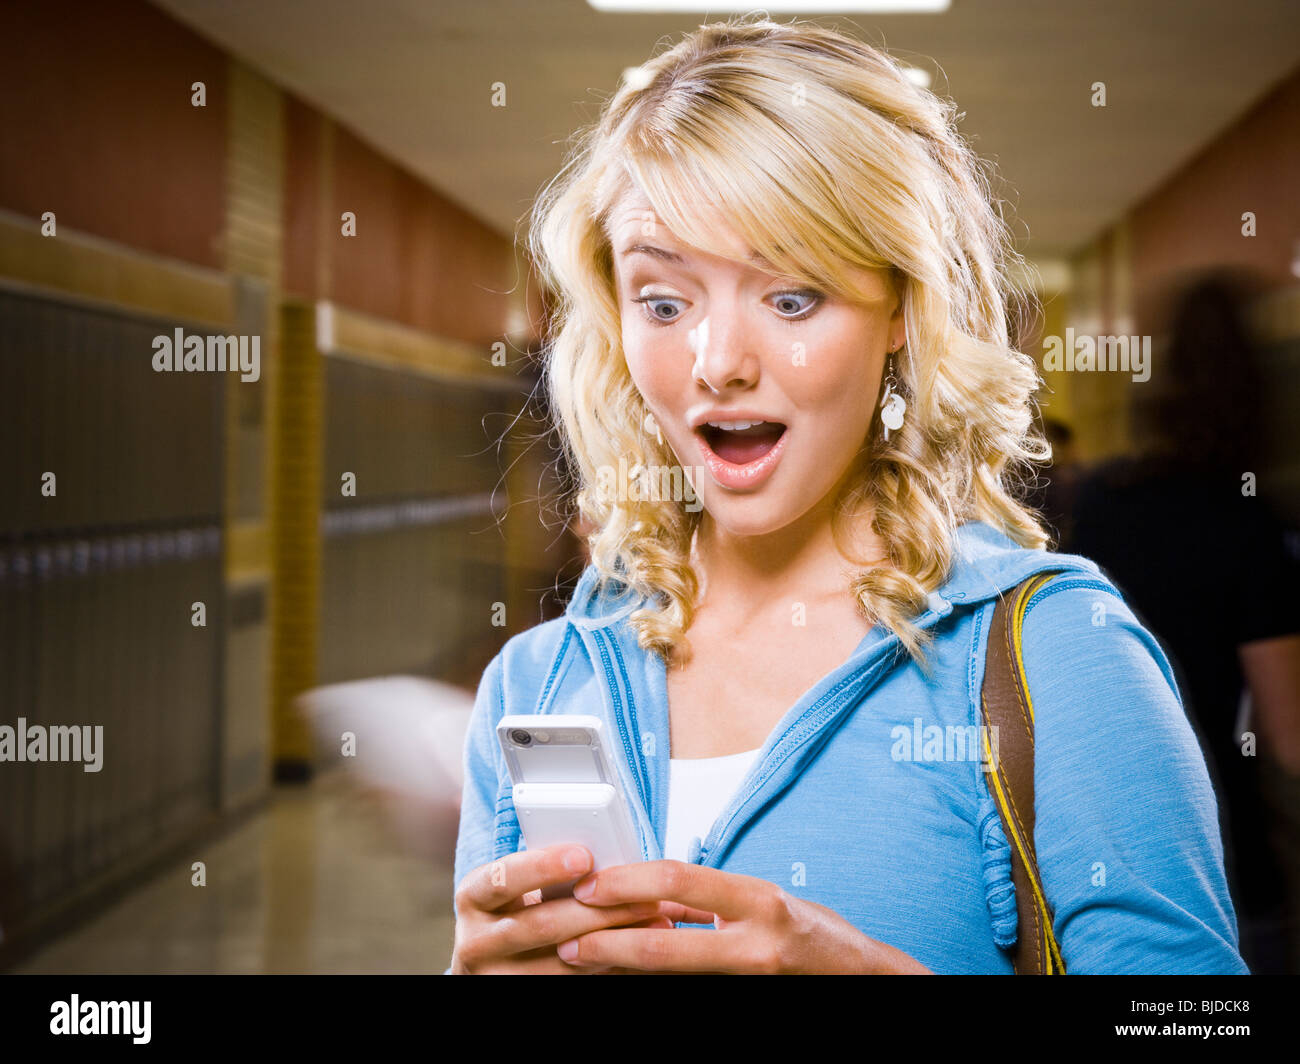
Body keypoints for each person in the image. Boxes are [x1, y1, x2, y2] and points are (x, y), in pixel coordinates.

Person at [447, 16, 1246, 974]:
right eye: (665, 302)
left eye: (791, 298)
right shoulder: (539, 686)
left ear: (903, 311)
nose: (717, 364)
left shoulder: (1053, 655)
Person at [1070, 271, 1300, 973]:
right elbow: (1288, 739)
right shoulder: (1249, 525)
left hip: (1096, 849)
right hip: (1220, 857)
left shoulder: (1102, 503)